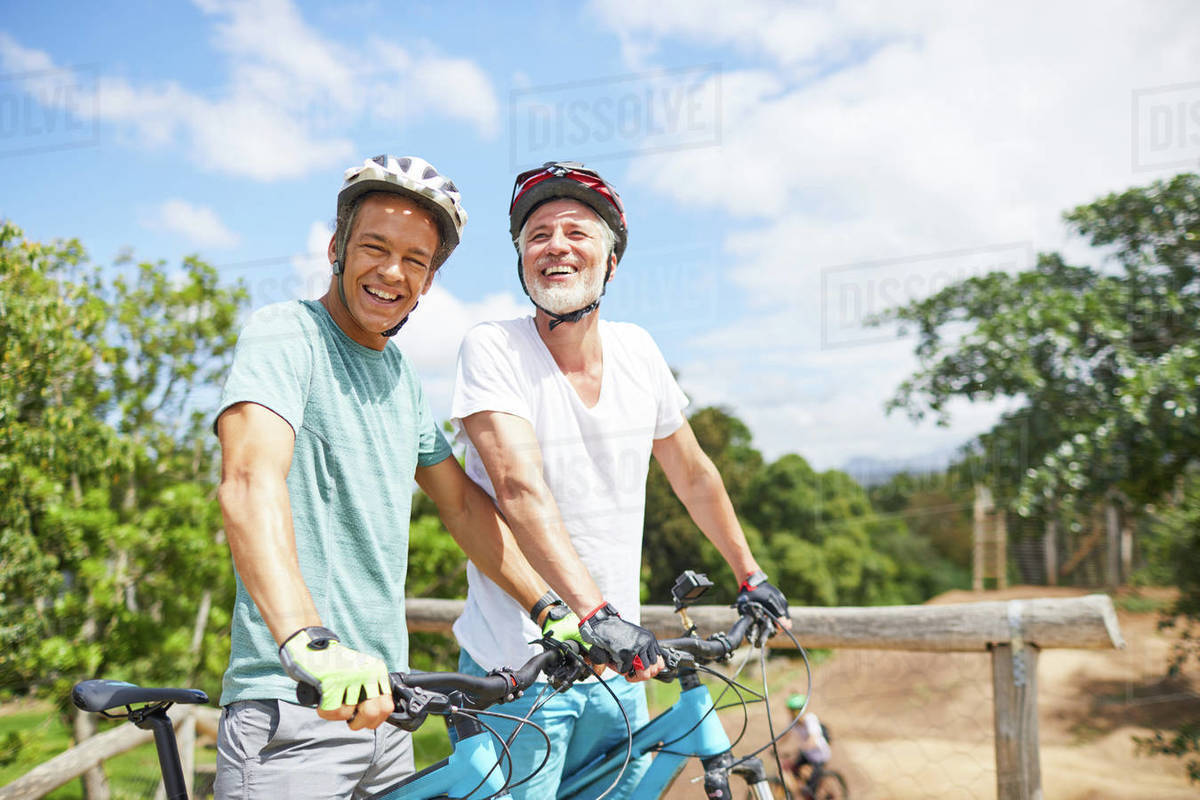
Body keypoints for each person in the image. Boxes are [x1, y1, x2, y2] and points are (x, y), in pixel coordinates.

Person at [212, 155, 555, 800]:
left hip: (389, 714)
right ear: (338, 248)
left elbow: (461, 507)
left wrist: (549, 607)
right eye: (374, 247)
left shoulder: (400, 378)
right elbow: (249, 479)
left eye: (416, 261)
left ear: (428, 279)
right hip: (297, 705)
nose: (392, 272)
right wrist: (305, 640)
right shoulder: (288, 335)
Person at [449, 161, 793, 799]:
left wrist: (751, 574)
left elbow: (692, 473)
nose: (555, 245)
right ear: (522, 257)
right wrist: (594, 614)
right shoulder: (493, 347)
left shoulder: (639, 351)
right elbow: (520, 490)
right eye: (538, 234)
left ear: (611, 261)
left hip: (617, 670)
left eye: (577, 232)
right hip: (523, 668)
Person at [785, 693, 832, 780]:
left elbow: (813, 739)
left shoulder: (810, 719)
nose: (790, 713)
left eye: (791, 711)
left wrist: (801, 748)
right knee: (793, 769)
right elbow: (785, 735)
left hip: (819, 755)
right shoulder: (793, 722)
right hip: (807, 754)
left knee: (810, 786)